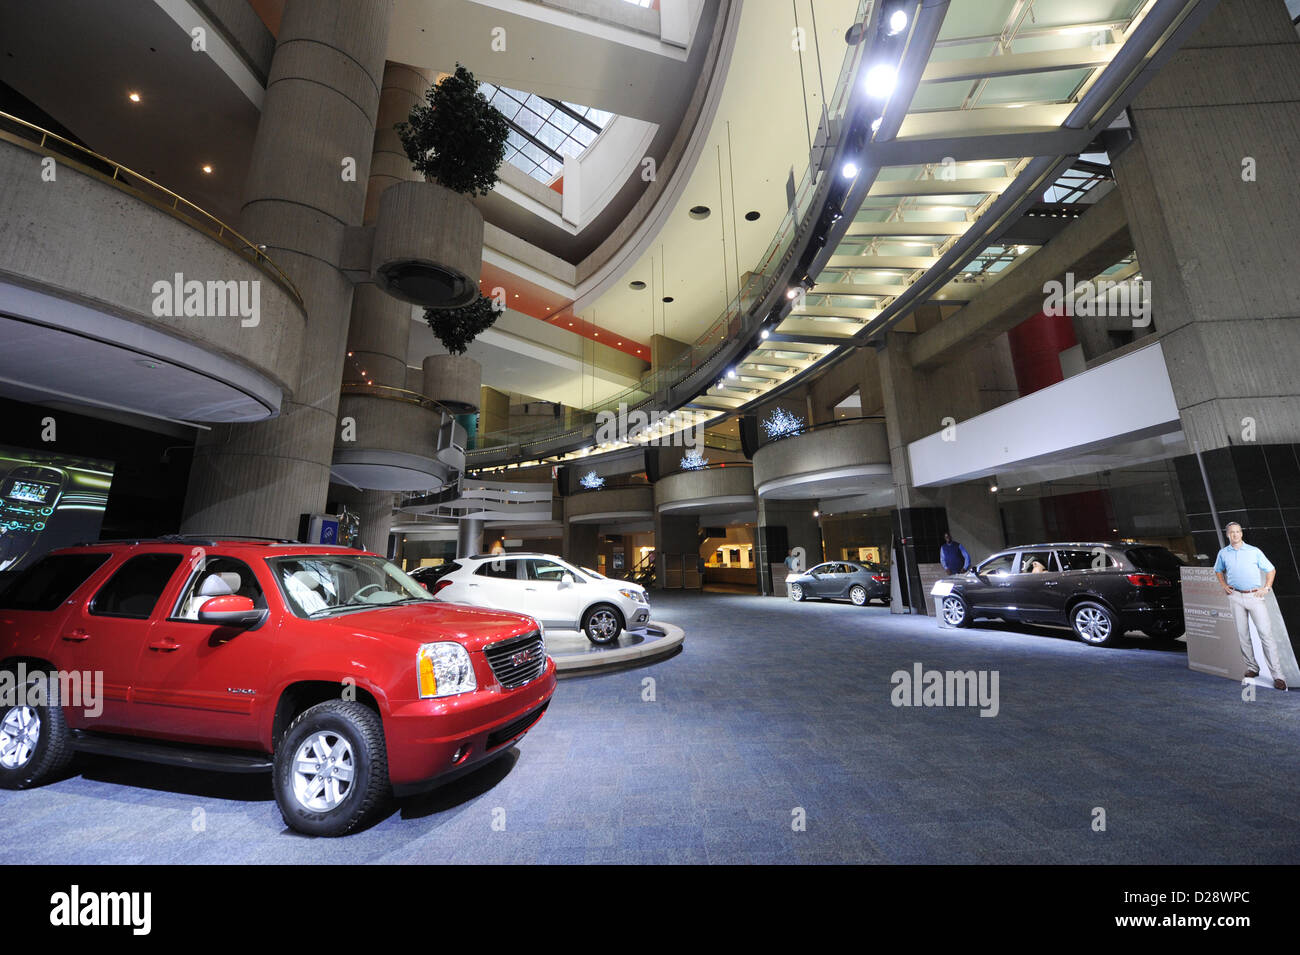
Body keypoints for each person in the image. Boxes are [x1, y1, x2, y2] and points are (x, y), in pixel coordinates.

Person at [1213, 522, 1285, 691]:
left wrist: (1266, 587)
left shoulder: (1254, 551)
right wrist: (1223, 585)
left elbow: (1271, 569)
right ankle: (1252, 667)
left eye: (1238, 531)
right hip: (1235, 596)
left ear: (1241, 534)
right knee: (1243, 635)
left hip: (1254, 596)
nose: (1235, 535)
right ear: (1227, 535)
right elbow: (1218, 570)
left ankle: (1278, 676)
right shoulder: (1223, 553)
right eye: (1232, 532)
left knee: (1266, 636)